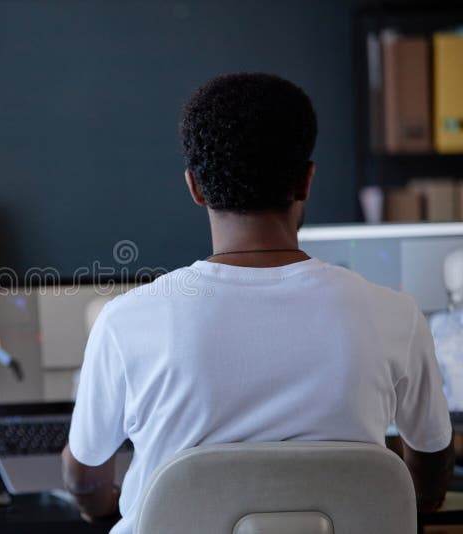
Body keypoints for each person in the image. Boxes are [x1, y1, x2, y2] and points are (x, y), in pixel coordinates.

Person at [62, 73, 455, 533]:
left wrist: (105, 505)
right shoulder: (395, 315)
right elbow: (429, 480)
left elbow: (85, 480)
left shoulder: (126, 321)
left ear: (195, 187)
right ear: (306, 180)